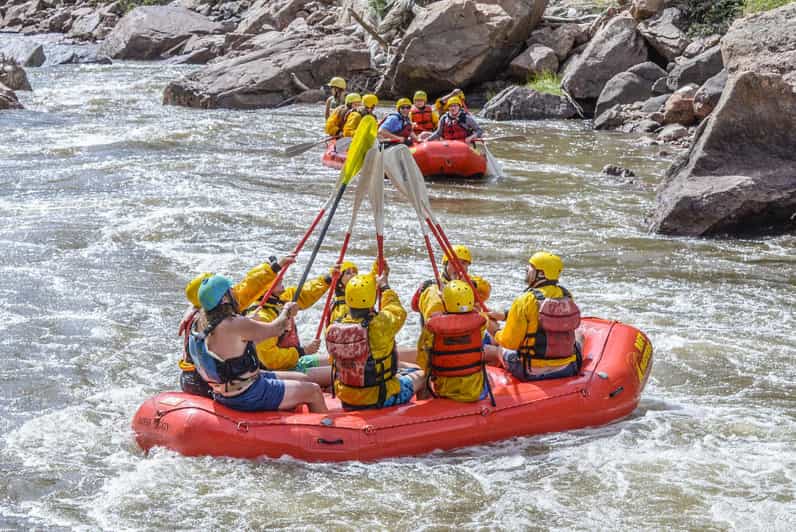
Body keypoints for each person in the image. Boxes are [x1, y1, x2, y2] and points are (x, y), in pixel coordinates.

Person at [189, 275, 328, 412]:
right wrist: (286, 311)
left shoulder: (199, 323)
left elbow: (234, 343)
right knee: (314, 390)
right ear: (225, 298)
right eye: (231, 291)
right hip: (248, 393)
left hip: (226, 390)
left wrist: (249, 322)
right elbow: (276, 329)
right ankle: (327, 433)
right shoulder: (235, 324)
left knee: (303, 378)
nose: (235, 293)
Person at [177, 255, 295, 397]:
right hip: (205, 382)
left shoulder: (198, 316)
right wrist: (274, 268)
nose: (233, 290)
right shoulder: (216, 315)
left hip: (190, 378)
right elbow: (248, 289)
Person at [325, 266, 425, 409]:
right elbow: (397, 311)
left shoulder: (333, 328)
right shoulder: (379, 325)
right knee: (421, 375)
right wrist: (385, 287)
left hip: (346, 397)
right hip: (378, 397)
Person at [492, 252, 582, 381]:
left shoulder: (525, 299)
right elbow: (543, 315)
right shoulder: (567, 295)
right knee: (579, 334)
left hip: (531, 371)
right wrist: (505, 315)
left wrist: (495, 331)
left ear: (541, 274)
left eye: (530, 267)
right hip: (567, 367)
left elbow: (509, 343)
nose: (526, 269)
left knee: (500, 348)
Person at [417, 280, 498, 403]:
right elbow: (481, 317)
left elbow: (423, 360)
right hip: (474, 392)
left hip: (443, 390)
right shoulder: (481, 324)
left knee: (423, 372)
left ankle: (426, 402)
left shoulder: (432, 328)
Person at [250, 266, 332, 383]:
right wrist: (303, 351)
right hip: (274, 373)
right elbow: (270, 360)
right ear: (263, 288)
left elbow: (304, 294)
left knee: (338, 362)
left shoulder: (280, 300)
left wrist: (327, 279)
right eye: (274, 278)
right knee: (338, 372)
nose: (280, 277)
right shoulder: (262, 317)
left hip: (292, 362)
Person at [412, 244, 491, 328]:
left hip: (469, 332)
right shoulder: (431, 286)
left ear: (468, 267)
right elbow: (415, 306)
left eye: (463, 263)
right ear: (445, 264)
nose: (458, 267)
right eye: (454, 262)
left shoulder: (472, 282)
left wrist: (473, 285)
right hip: (442, 334)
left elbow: (485, 291)